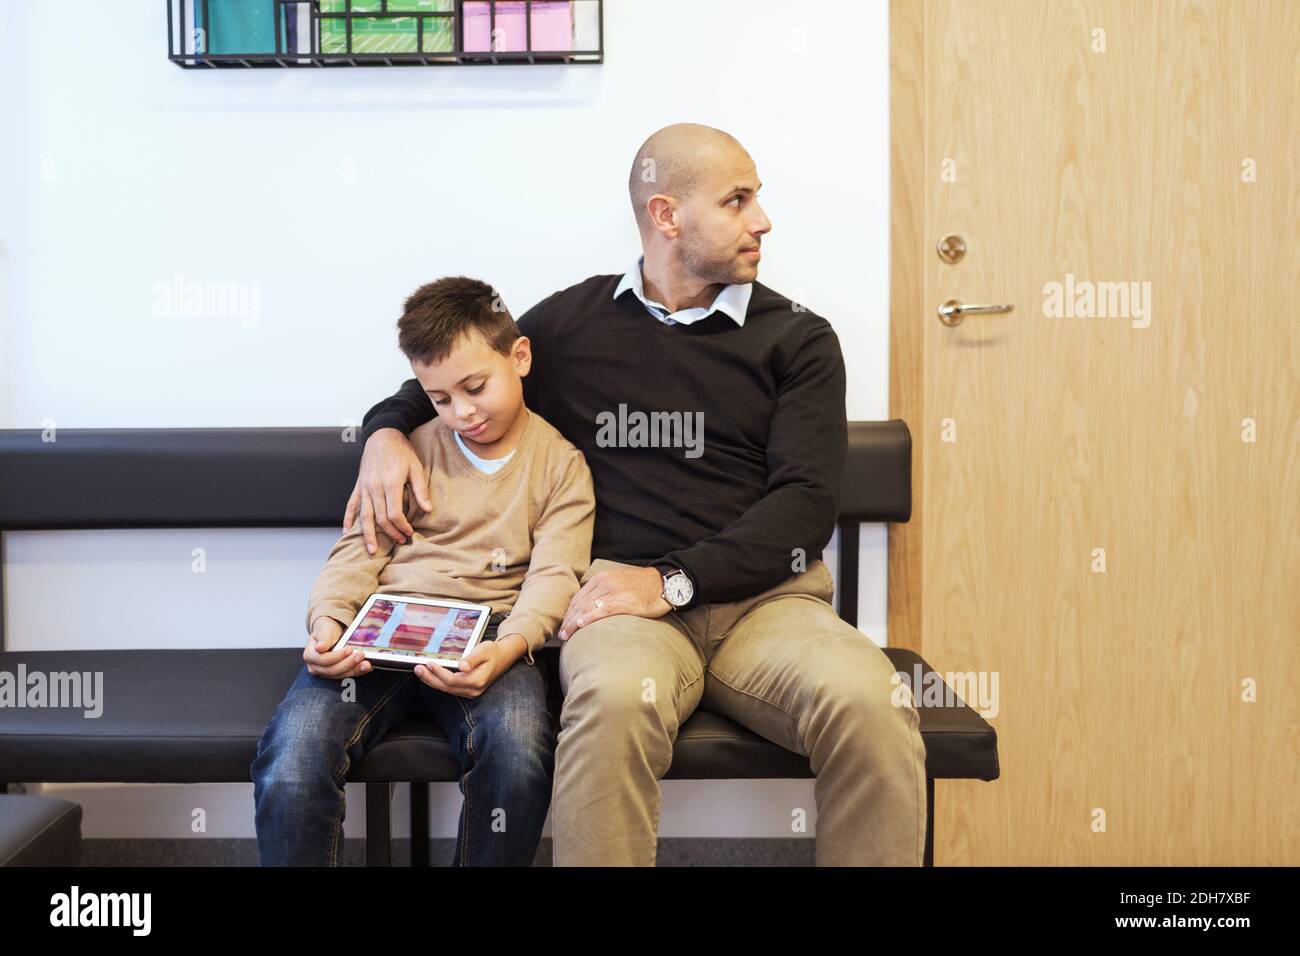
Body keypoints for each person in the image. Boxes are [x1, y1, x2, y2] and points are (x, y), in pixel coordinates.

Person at [347, 123, 928, 866]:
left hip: (769, 607)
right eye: (737, 200)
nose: (763, 220)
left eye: (757, 199)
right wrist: (386, 432)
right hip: (621, 609)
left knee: (873, 705)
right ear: (667, 215)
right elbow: (457, 371)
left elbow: (806, 506)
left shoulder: (798, 339)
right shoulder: (574, 324)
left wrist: (674, 579)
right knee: (613, 703)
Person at [251, 276, 594, 866]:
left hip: (489, 638)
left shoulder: (561, 466)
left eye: (475, 387)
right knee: (292, 756)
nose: (462, 413)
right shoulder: (407, 450)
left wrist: (511, 645)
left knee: (518, 753)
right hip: (378, 632)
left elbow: (556, 575)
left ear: (520, 356)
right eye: (439, 398)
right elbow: (358, 552)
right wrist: (328, 624)